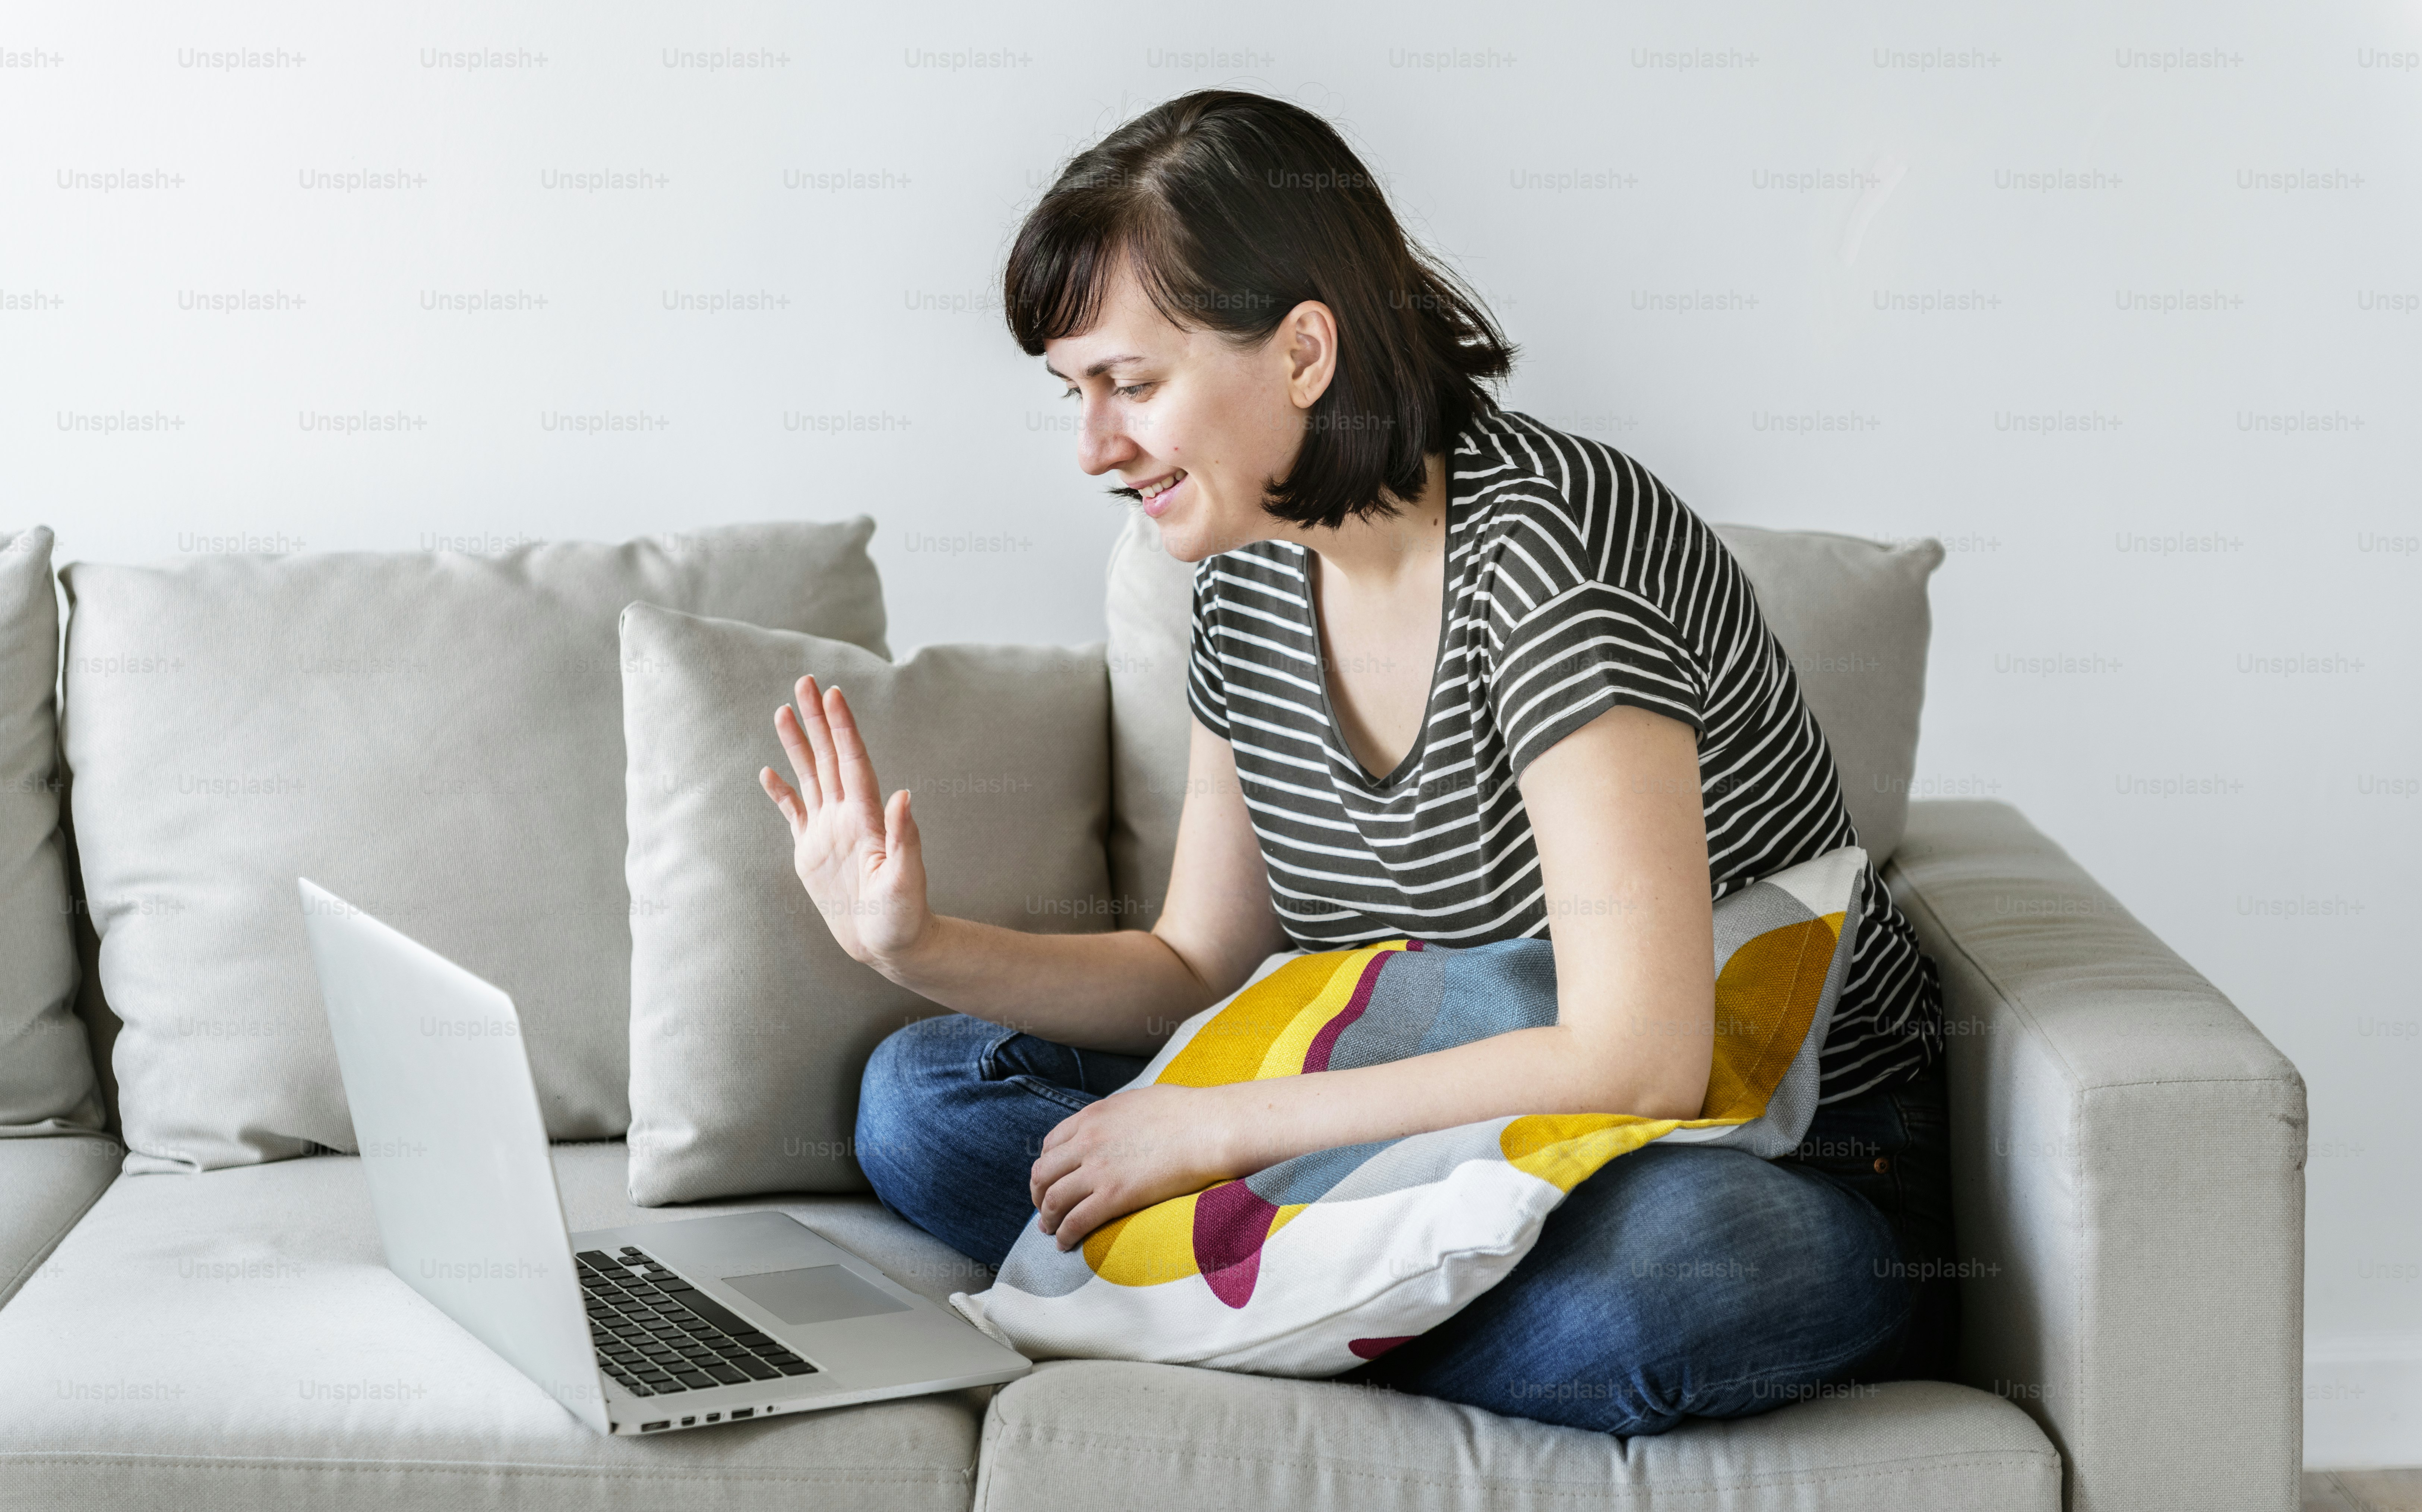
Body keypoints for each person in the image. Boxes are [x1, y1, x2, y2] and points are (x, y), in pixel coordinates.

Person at [758, 89, 1955, 1436]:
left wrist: (1223, 1131)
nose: (1094, 447)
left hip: (1749, 1147)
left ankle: (1224, 1310)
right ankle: (1315, 1305)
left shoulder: (1553, 553)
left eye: (1132, 386)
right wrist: (909, 943)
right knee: (921, 1099)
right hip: (1425, 1120)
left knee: (1659, 1289)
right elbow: (1195, 972)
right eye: (1074, 393)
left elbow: (1641, 1062)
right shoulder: (1247, 576)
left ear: (1304, 352)